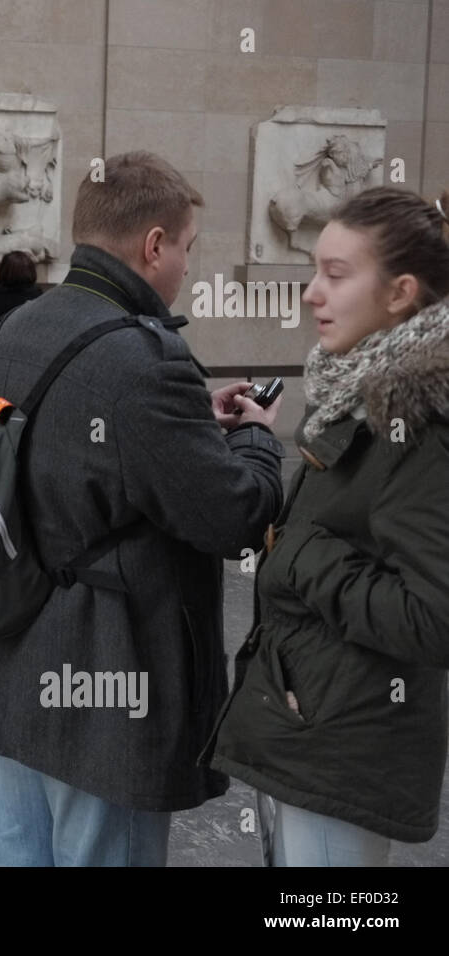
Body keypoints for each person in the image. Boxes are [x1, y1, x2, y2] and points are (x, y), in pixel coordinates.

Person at [0, 151, 286, 866]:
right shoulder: (146, 358)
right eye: (187, 248)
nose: (187, 266)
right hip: (108, 676)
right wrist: (253, 436)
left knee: (18, 852)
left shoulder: (18, 327)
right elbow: (234, 516)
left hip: (13, 652)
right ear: (154, 244)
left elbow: (62, 450)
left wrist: (190, 425)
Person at [204, 187, 449, 866]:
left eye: (336, 275)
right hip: (307, 718)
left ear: (400, 293)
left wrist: (303, 555)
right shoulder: (357, 389)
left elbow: (435, 616)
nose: (311, 292)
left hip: (348, 742)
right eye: (314, 270)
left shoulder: (419, 420)